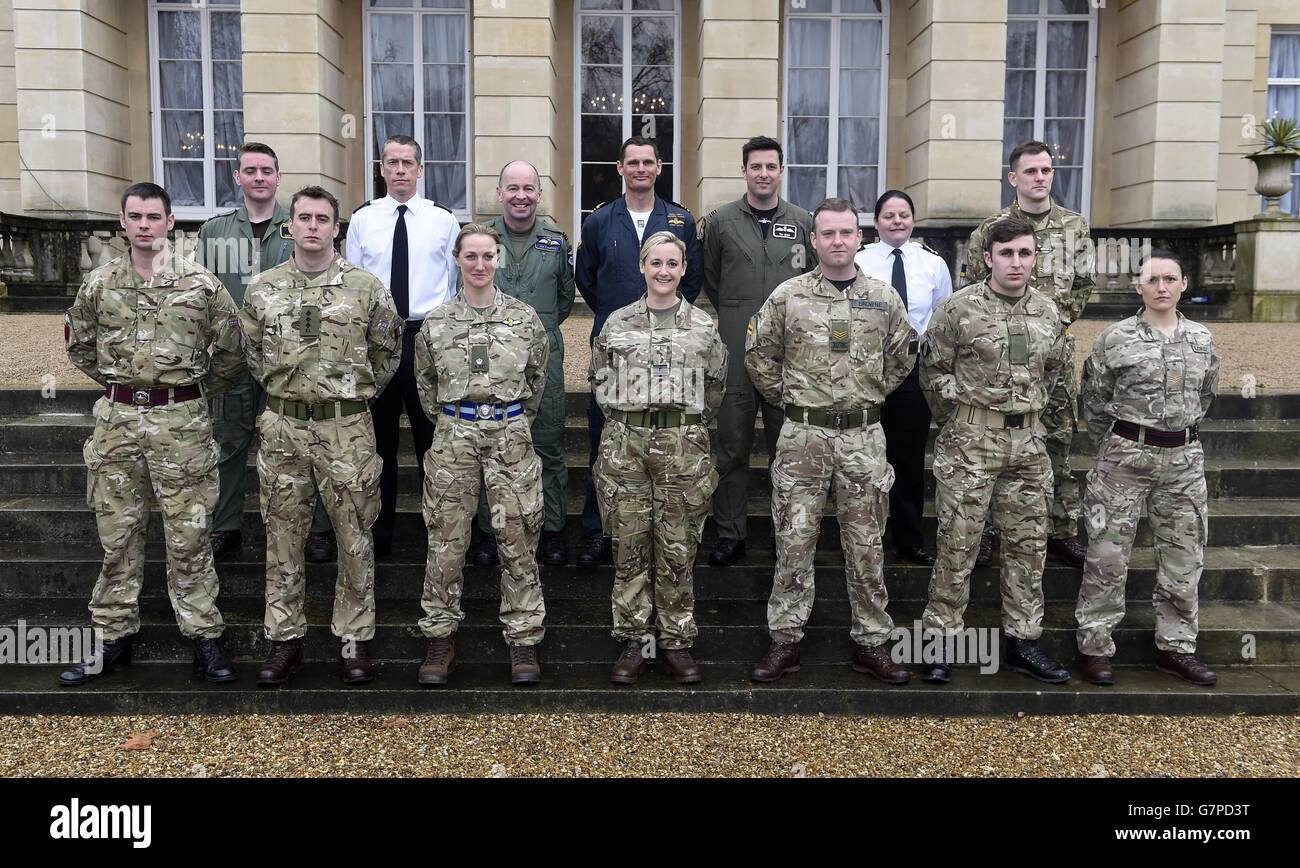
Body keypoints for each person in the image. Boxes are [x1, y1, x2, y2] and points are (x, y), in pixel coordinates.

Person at [60, 182, 244, 685]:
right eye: (135, 216)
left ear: (169, 224)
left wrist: (182, 392)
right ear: (123, 222)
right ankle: (113, 639)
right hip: (117, 426)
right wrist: (128, 388)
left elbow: (230, 352)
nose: (144, 224)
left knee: (190, 536)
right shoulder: (99, 285)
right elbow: (81, 348)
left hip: (181, 426)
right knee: (117, 536)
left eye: (153, 216)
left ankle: (204, 638)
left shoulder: (202, 285)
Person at [745, 198, 914, 685]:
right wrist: (797, 404)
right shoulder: (788, 296)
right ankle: (785, 642)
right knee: (793, 540)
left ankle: (871, 644)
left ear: (859, 238)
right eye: (828, 234)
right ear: (813, 240)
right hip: (803, 438)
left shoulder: (883, 298)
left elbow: (901, 358)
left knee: (867, 543)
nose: (838, 241)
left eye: (846, 232)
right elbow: (760, 357)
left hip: (864, 437)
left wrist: (867, 397)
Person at [241, 186, 403, 685]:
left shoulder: (366, 287)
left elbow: (388, 352)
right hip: (284, 427)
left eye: (322, 218)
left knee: (354, 536)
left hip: (346, 429)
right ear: (290, 226)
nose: (312, 226)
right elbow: (249, 351)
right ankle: (284, 641)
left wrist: (351, 398)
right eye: (304, 217)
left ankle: (353, 639)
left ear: (338, 228)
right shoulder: (262, 288)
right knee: (283, 537)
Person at [920, 217, 1070, 685]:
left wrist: (1046, 430)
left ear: (1034, 259)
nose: (1017, 262)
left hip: (1028, 447)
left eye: (1025, 253)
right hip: (970, 445)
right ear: (988, 258)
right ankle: (940, 641)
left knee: (1028, 548)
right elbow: (932, 371)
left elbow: (1059, 378)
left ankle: (1023, 642)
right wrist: (965, 416)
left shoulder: (1049, 312)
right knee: (957, 544)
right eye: (1007, 254)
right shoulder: (957, 309)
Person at [1075, 249, 1221, 686]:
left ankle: (1176, 648)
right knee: (1106, 556)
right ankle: (1095, 647)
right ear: (1138, 287)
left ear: (1183, 285)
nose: (1161, 287)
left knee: (1183, 557)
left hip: (1183, 461)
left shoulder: (1202, 339)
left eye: (1170, 279)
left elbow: (1206, 396)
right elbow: (1095, 400)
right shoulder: (1115, 338)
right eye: (1152, 279)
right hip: (1124, 458)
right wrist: (1119, 443)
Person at [413, 223, 550, 686]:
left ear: (498, 260)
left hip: (510, 432)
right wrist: (456, 418)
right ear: (456, 259)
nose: (479, 264)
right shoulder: (435, 322)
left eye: (487, 256)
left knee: (517, 536)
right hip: (454, 433)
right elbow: (426, 387)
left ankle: (524, 640)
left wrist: (509, 417)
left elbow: (536, 381)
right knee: (447, 539)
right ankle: (440, 638)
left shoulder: (524, 319)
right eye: (470, 256)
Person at [590, 231, 726, 684]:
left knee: (678, 546)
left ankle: (674, 642)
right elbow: (601, 383)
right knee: (628, 544)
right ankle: (634, 642)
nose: (664, 271)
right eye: (656, 263)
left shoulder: (703, 327)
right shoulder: (618, 323)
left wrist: (681, 426)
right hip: (626, 444)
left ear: (684, 269)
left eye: (673, 263)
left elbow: (714, 388)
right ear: (643, 267)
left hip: (683, 450)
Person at [196, 143, 336, 564]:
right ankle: (225, 526)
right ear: (236, 177)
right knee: (229, 442)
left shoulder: (298, 224)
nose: (259, 177)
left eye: (267, 171)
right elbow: (200, 292)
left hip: (291, 358)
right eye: (250, 170)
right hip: (233, 356)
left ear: (279, 177)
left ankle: (318, 531)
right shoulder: (214, 231)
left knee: (307, 445)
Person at [574, 135, 703, 568]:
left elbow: (693, 280)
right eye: (633, 162)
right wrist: (621, 322)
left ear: (659, 167)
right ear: (620, 167)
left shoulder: (681, 220)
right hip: (617, 350)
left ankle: (669, 534)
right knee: (604, 441)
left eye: (648, 162)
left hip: (672, 351)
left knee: (670, 445)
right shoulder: (599, 222)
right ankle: (598, 531)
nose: (641, 169)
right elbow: (587, 279)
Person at [967, 140, 1096, 568]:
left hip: (1052, 353)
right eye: (1031, 171)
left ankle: (1059, 528)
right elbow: (970, 287)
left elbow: (1082, 284)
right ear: (1013, 178)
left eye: (1046, 170)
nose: (1040, 178)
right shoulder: (991, 228)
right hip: (996, 356)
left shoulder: (1074, 227)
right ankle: (984, 532)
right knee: (991, 439)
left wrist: (1049, 326)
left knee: (1058, 436)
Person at [700, 135, 816, 567]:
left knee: (790, 448)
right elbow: (710, 277)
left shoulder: (803, 220)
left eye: (771, 166)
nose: (763, 174)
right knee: (731, 445)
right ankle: (731, 532)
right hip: (734, 343)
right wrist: (737, 313)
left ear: (781, 171)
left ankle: (789, 533)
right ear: (744, 170)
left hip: (792, 352)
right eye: (756, 167)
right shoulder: (721, 222)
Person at [345, 134, 460, 558]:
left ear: (420, 169)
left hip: (424, 338)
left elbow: (452, 286)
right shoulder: (362, 220)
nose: (399, 170)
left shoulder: (443, 221)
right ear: (381, 169)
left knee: (435, 443)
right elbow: (353, 285)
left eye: (407, 163)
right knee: (378, 446)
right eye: (391, 162)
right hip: (376, 341)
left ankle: (441, 533)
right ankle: (380, 534)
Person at [467, 160, 575, 569]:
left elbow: (565, 298)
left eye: (528, 188)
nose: (521, 196)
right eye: (512, 188)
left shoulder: (557, 240)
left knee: (546, 445)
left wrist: (536, 333)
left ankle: (551, 531)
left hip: (544, 359)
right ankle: (490, 534)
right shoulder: (481, 238)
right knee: (488, 447)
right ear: (499, 193)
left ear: (539, 194)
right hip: (487, 360)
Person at [854, 190, 953, 566]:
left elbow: (943, 317)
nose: (897, 221)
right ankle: (866, 539)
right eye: (889, 215)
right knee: (865, 459)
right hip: (869, 371)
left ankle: (910, 540)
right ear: (875, 222)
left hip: (914, 373)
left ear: (913, 220)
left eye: (904, 215)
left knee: (909, 459)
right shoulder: (860, 261)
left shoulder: (932, 264)